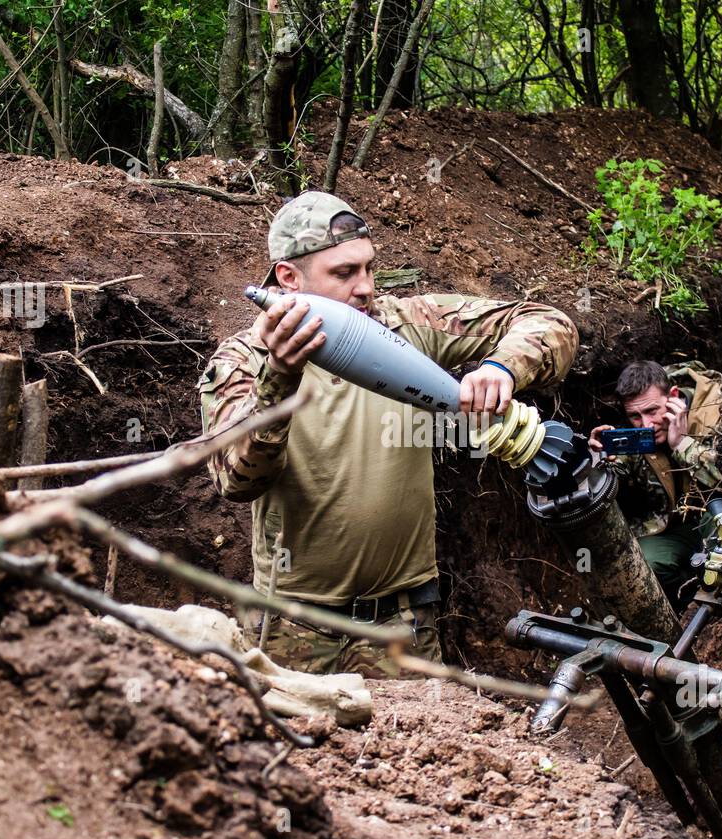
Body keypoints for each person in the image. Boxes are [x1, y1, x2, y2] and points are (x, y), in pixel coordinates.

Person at [198, 191, 578, 677]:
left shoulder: (404, 325)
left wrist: (503, 367)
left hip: (405, 624)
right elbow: (236, 481)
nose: (364, 288)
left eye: (369, 269)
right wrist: (280, 378)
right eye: (343, 273)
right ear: (288, 278)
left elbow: (550, 322)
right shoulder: (242, 362)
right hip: (294, 630)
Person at [588, 360, 722, 613]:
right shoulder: (636, 434)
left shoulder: (715, 412)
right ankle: (692, 607)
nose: (646, 424)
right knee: (644, 565)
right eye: (635, 416)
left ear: (673, 397)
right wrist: (597, 464)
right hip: (671, 526)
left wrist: (682, 444)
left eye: (652, 411)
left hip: (717, 518)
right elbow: (616, 480)